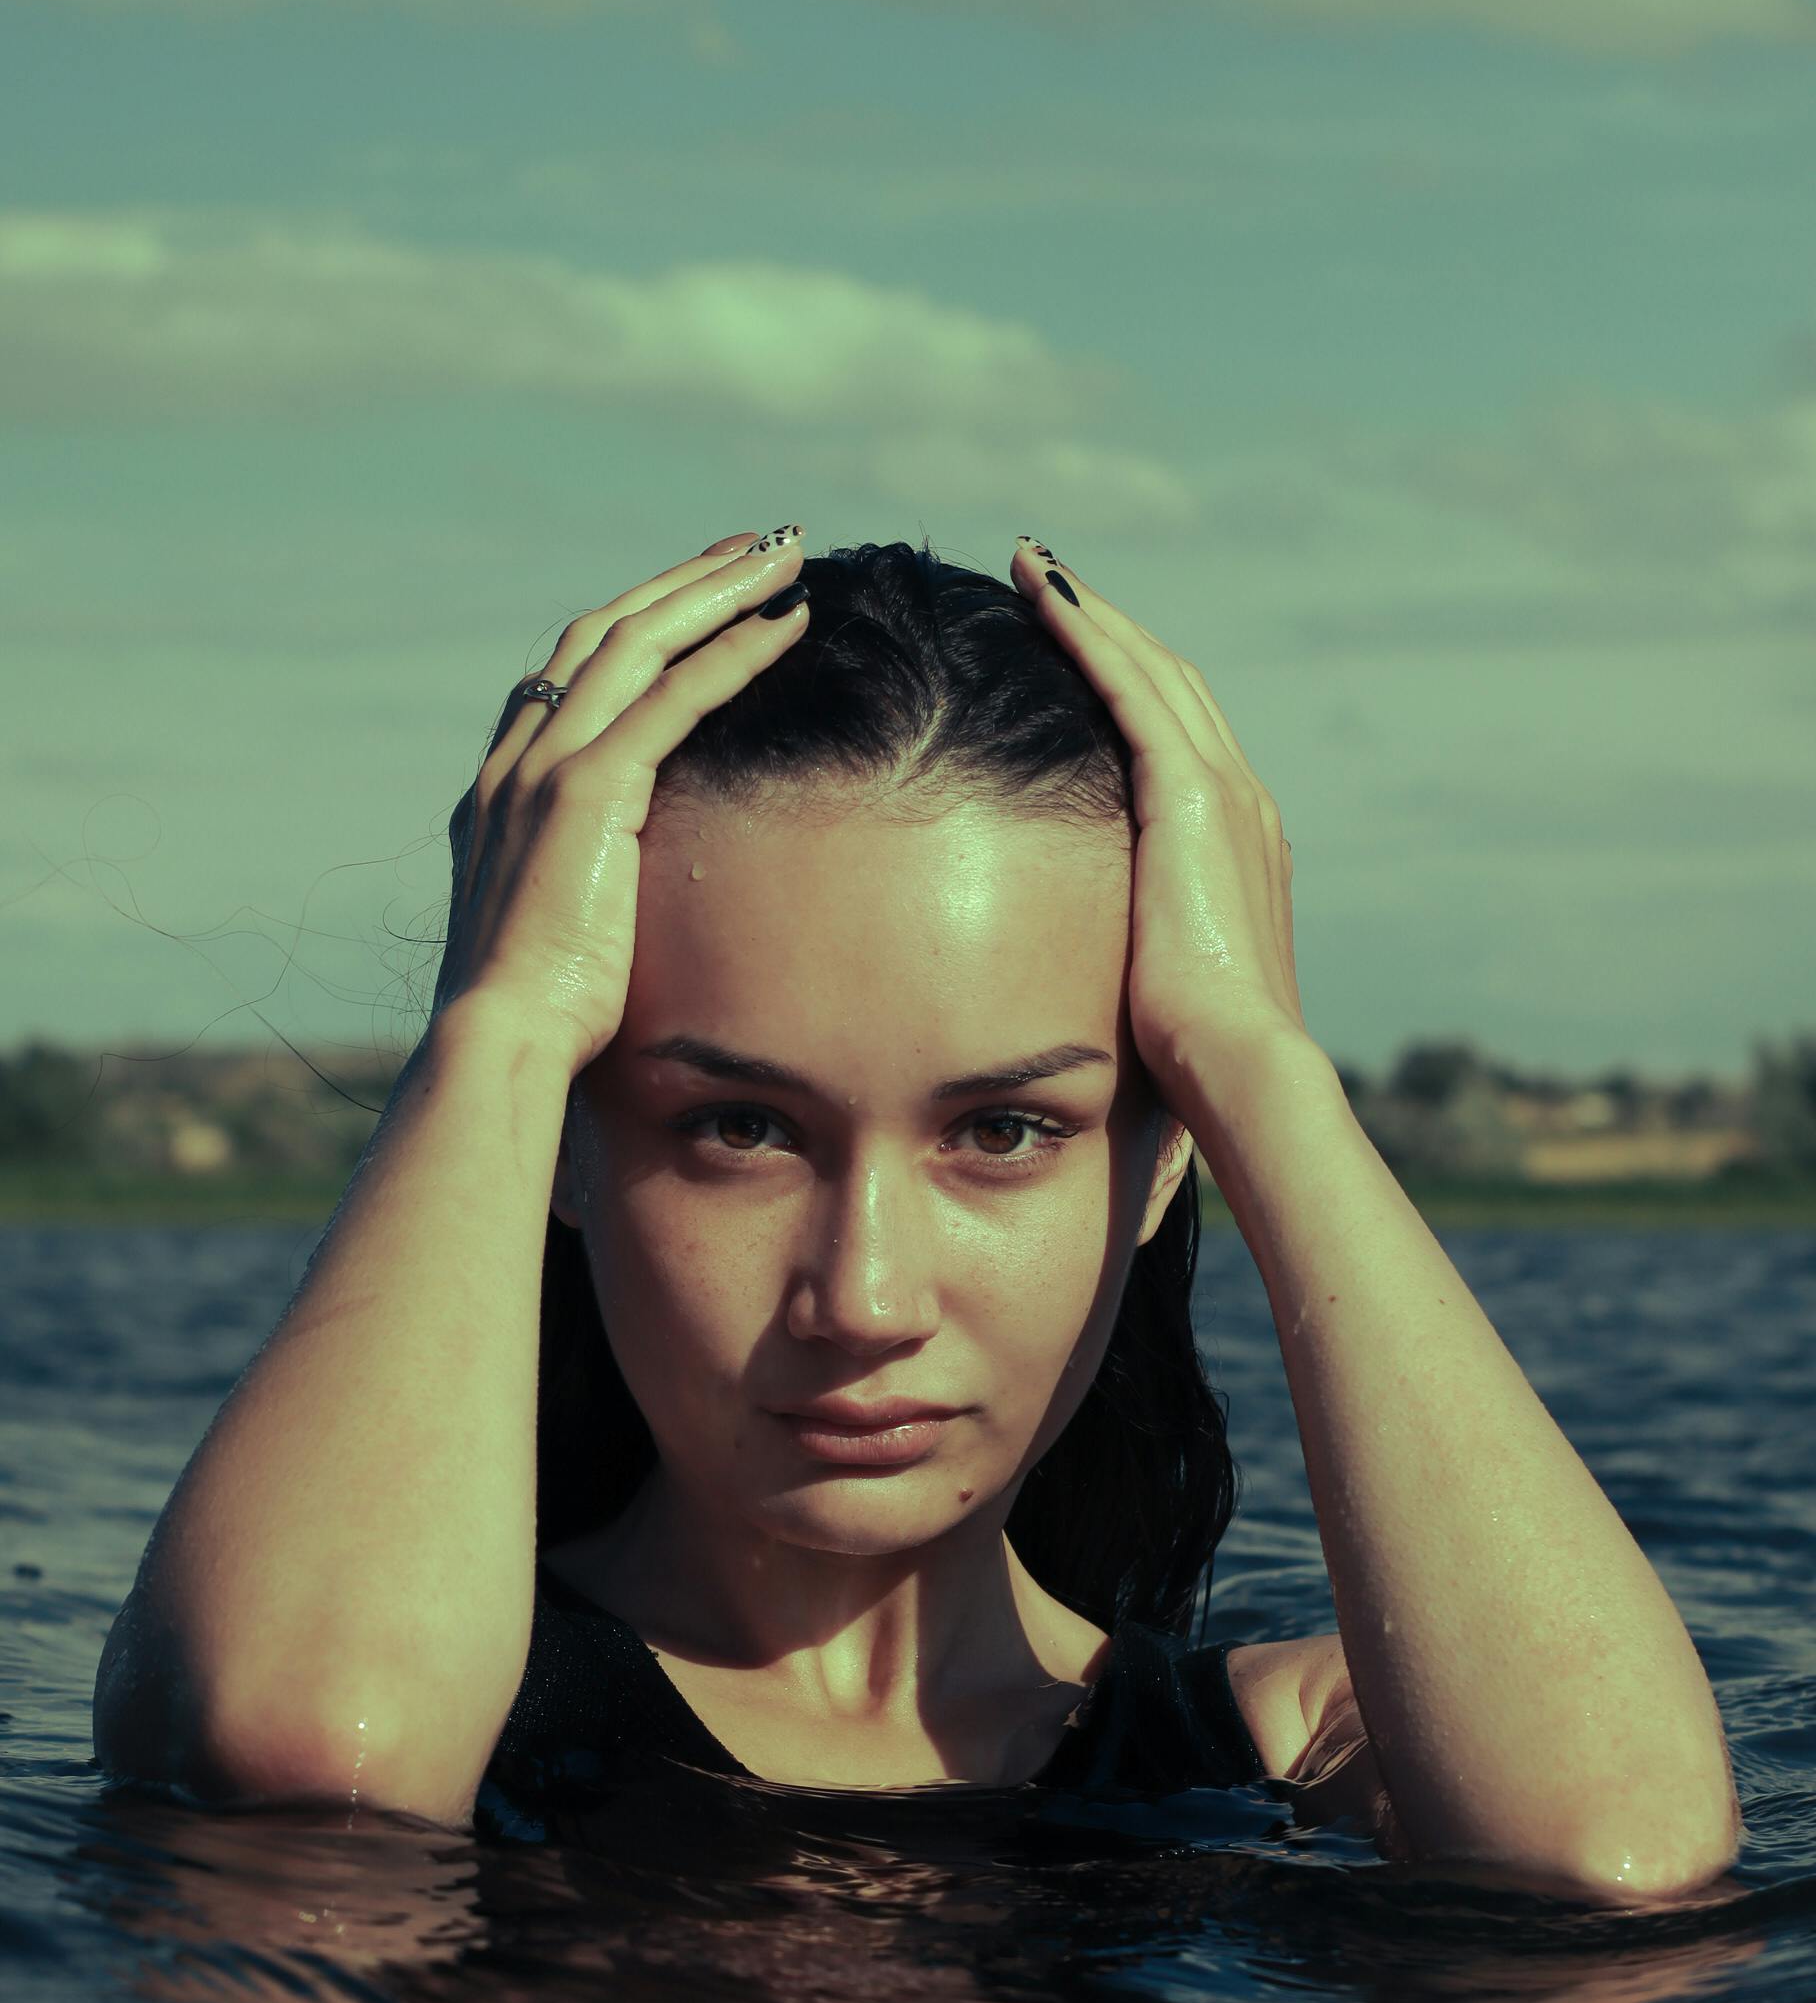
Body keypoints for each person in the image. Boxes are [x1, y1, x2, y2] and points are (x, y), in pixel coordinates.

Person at [92, 529, 1741, 1899]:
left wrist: (1258, 1062)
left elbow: (1614, 1856)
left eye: (1008, 1130)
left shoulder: (1287, 1737)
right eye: (738, 1127)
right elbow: (302, 1769)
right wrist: (504, 1024)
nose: (864, 1297)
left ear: (1166, 1156)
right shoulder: (420, 1691)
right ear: (568, 1155)